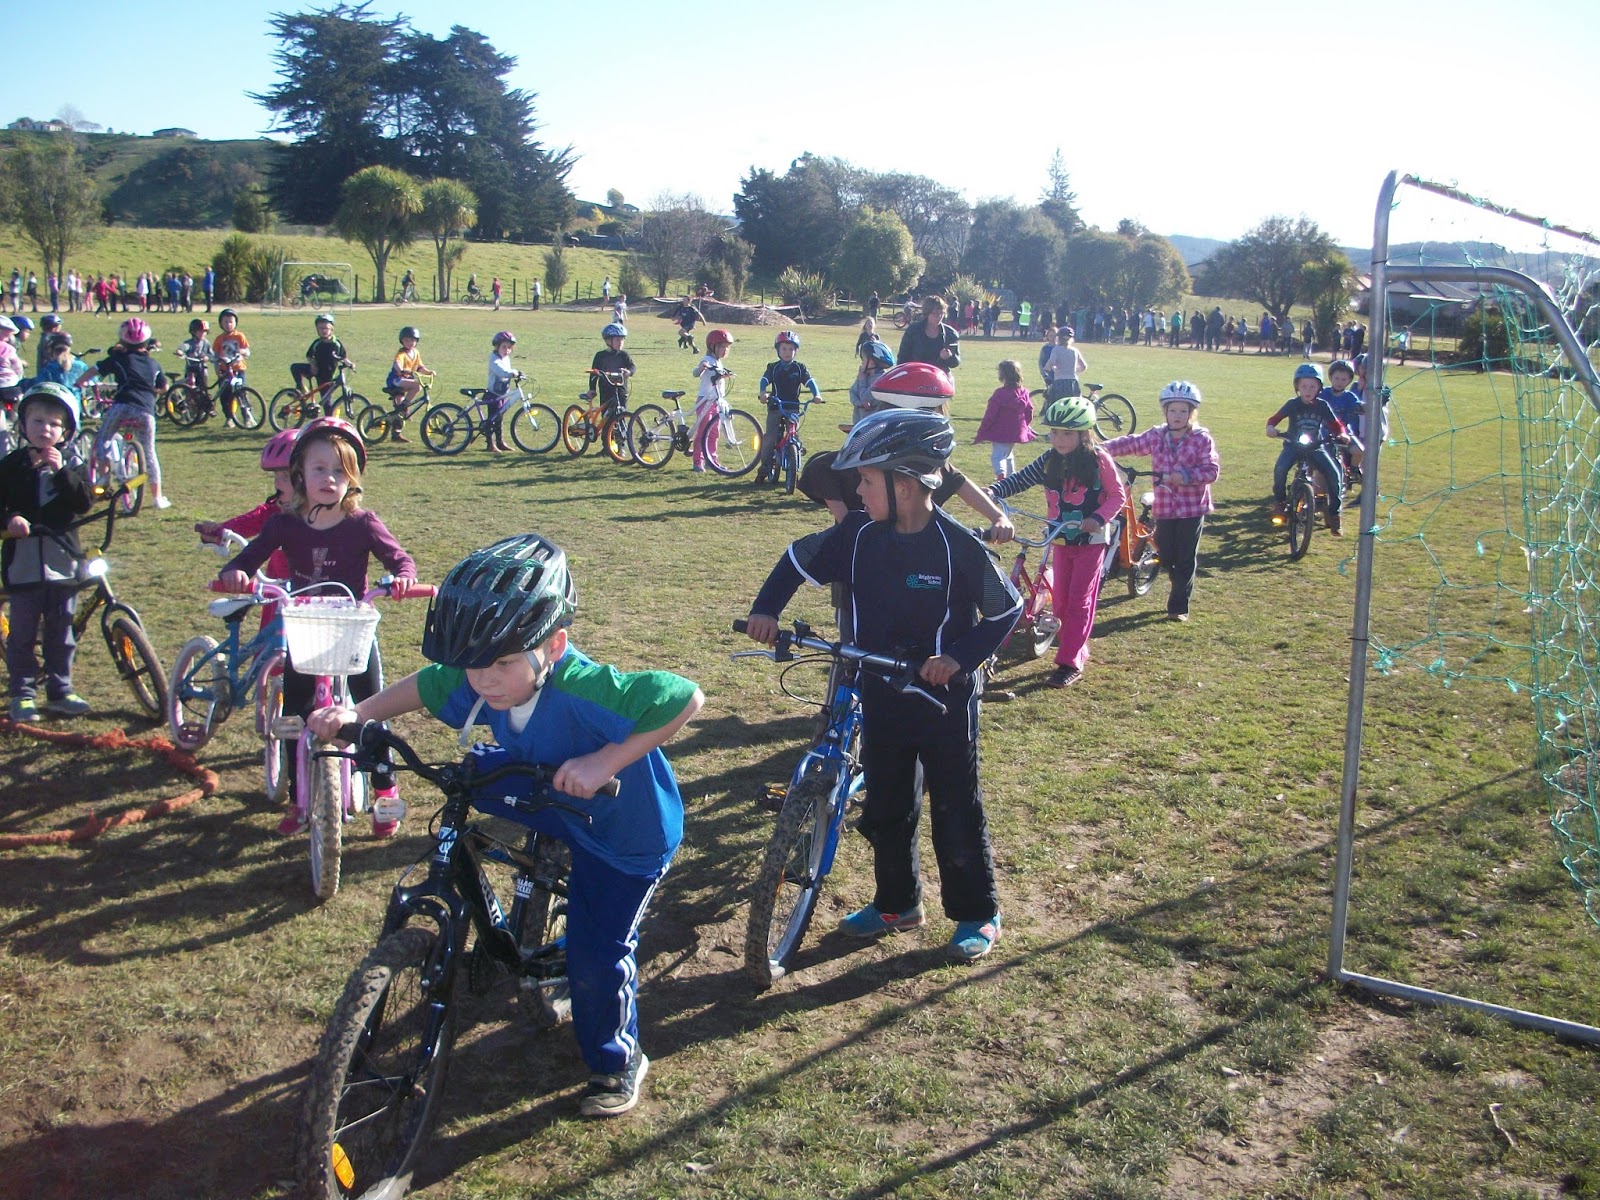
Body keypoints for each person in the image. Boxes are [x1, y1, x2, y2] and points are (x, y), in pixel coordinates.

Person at [309, 533, 703, 1116]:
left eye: (503, 663)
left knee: (595, 958)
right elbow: (428, 682)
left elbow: (684, 696)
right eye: (474, 665)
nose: (486, 680)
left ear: (554, 646)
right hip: (543, 781)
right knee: (469, 785)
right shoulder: (476, 678)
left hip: (623, 828)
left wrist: (604, 762)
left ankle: (617, 1062)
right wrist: (359, 712)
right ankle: (511, 910)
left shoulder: (587, 688)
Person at [744, 408, 1020, 960]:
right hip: (879, 694)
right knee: (887, 807)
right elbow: (798, 560)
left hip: (943, 705)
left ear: (909, 484)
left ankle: (976, 912)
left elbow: (1005, 609)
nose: (857, 490)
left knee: (954, 809)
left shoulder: (956, 545)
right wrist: (766, 609)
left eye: (867, 479)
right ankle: (898, 903)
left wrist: (957, 659)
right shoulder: (858, 535)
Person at [217, 417, 421, 837]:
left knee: (371, 711)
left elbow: (400, 559)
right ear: (299, 475)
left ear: (354, 478)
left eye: (341, 470)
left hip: (351, 631)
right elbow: (247, 558)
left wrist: (402, 577)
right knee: (294, 716)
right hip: (306, 630)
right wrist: (237, 572)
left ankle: (384, 790)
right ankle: (298, 799)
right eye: (319, 469)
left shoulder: (363, 523)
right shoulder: (283, 523)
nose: (330, 479)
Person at [988, 396, 1127, 688]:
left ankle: (1069, 662)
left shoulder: (1099, 460)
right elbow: (1021, 479)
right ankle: (1076, 645)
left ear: (1084, 433)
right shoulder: (1049, 459)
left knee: (1079, 601)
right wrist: (993, 490)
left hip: (1091, 541)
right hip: (1060, 539)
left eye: (1067, 433)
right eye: (1054, 433)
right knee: (1061, 602)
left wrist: (1099, 518)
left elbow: (1117, 495)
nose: (1059, 439)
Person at [2, 382, 97, 721]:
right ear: (24, 425)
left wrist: (61, 474)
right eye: (38, 421)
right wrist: (10, 517)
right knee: (23, 634)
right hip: (24, 565)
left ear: (66, 430)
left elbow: (84, 502)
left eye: (54, 424)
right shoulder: (12, 465)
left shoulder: (71, 464)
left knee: (61, 632)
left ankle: (61, 689)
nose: (46, 429)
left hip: (63, 562)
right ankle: (23, 693)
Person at [1102, 381, 1219, 622]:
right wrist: (1101, 449)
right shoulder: (1157, 436)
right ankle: (1176, 582)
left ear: (1191, 413)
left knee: (1185, 557)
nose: (1177, 416)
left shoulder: (1201, 439)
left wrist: (1185, 477)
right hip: (1164, 506)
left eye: (1183, 411)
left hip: (1191, 508)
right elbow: (1131, 443)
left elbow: (1211, 470)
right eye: (1173, 410)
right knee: (1165, 554)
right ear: (1165, 411)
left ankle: (1178, 607)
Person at [194, 428, 299, 626]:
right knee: (271, 644)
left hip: (319, 596)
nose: (277, 482)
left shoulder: (329, 518)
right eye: (276, 475)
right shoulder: (275, 513)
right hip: (277, 594)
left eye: (285, 476)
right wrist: (217, 531)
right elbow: (248, 521)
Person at [85, 318, 171, 509]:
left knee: (103, 438)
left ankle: (104, 477)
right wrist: (153, 391)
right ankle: (157, 497)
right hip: (146, 411)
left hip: (122, 406)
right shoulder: (154, 364)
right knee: (149, 452)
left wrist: (78, 383)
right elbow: (164, 386)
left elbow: (94, 370)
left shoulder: (118, 359)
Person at [1267, 363, 1350, 535]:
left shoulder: (1322, 406)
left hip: (1315, 447)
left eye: (1312, 386)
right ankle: (1280, 503)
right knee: (1280, 469)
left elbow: (1336, 424)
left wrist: (1342, 434)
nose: (1308, 390)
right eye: (1304, 386)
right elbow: (1274, 419)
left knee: (1334, 474)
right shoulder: (1292, 404)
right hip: (1293, 445)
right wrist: (1271, 428)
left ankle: (1334, 513)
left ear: (1319, 388)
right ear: (1297, 386)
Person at [756, 330, 820, 485]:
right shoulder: (773, 367)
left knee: (794, 435)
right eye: (784, 349)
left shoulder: (800, 368)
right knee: (770, 437)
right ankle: (764, 468)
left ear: (796, 351)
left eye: (791, 349)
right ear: (778, 350)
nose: (787, 352)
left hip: (793, 406)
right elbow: (764, 380)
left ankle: (795, 468)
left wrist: (816, 394)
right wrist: (763, 392)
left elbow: (810, 381)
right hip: (776, 406)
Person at [973, 360, 1035, 481]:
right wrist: (1025, 426)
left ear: (1003, 375)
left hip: (1001, 431)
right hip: (1017, 430)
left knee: (997, 456)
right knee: (1007, 454)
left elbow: (990, 415)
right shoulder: (1024, 392)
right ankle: (1011, 477)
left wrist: (982, 431)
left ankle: (1001, 474)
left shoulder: (1000, 394)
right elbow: (1029, 411)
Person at [690, 328, 735, 473]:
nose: (725, 350)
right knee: (703, 430)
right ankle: (698, 460)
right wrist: (701, 368)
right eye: (722, 346)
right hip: (705, 400)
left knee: (715, 431)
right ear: (713, 346)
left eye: (727, 347)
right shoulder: (708, 360)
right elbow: (696, 373)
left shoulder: (718, 362)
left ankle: (712, 459)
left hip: (716, 401)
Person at [384, 325, 434, 443]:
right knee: (416, 386)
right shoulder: (401, 353)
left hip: (406, 381)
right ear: (402, 341)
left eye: (412, 340)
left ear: (416, 341)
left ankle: (396, 433)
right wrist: (401, 369)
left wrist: (429, 372)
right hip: (396, 380)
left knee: (399, 410)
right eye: (407, 340)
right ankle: (405, 406)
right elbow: (397, 363)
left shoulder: (416, 353)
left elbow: (420, 367)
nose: (410, 343)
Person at [292, 313, 352, 405]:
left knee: (327, 403)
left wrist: (350, 364)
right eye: (321, 328)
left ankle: (328, 418)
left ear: (331, 329)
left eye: (326, 328)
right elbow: (309, 355)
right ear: (317, 329)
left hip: (327, 376)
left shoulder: (336, 344)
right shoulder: (317, 343)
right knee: (295, 367)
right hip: (316, 370)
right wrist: (312, 365)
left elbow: (343, 357)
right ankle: (301, 388)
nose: (323, 331)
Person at [1321, 359, 1366, 477]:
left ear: (1349, 381)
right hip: (1323, 432)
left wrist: (1365, 407)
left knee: (1359, 450)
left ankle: (1353, 469)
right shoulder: (1323, 393)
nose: (1339, 382)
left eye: (1343, 380)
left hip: (1344, 433)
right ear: (1330, 377)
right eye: (1336, 378)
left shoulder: (1349, 397)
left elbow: (1359, 407)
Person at [897, 296, 960, 371]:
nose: (939, 316)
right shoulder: (913, 331)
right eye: (935, 313)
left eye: (941, 313)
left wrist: (949, 357)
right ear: (927, 313)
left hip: (941, 377)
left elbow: (956, 361)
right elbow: (902, 358)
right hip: (916, 374)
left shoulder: (951, 333)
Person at [211, 308, 251, 427]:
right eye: (225, 322)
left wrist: (242, 351)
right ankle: (229, 417)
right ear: (221, 324)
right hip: (225, 370)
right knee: (225, 395)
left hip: (238, 369)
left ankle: (247, 416)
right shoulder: (219, 339)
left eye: (231, 322)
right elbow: (216, 356)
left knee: (241, 393)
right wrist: (217, 369)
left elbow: (248, 352)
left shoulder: (240, 336)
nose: (228, 324)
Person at [585, 323, 635, 419]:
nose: (620, 342)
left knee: (621, 415)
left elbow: (632, 366)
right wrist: (592, 389)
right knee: (606, 418)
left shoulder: (624, 355)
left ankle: (621, 433)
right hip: (606, 391)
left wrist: (629, 372)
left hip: (621, 390)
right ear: (608, 341)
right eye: (617, 339)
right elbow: (593, 374)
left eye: (622, 339)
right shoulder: (600, 356)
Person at [484, 331, 518, 454]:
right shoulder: (494, 358)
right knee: (491, 419)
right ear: (497, 346)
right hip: (493, 393)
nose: (507, 350)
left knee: (499, 418)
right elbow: (501, 371)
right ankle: (490, 443)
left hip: (502, 393)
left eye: (509, 348)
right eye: (504, 347)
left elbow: (507, 371)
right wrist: (512, 372)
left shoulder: (506, 358)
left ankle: (500, 441)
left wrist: (516, 374)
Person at [849, 339, 895, 427]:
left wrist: (862, 380)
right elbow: (852, 392)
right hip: (858, 423)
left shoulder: (881, 380)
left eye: (864, 359)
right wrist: (859, 404)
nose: (862, 362)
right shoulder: (864, 375)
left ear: (872, 361)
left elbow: (865, 398)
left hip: (872, 427)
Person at [1042, 326, 1088, 401]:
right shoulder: (1074, 351)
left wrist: (1047, 370)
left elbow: (1050, 363)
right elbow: (1083, 367)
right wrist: (1072, 370)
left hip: (1060, 382)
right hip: (1073, 381)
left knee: (1058, 404)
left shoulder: (1056, 349)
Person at [177, 318, 213, 395]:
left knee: (204, 385)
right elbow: (183, 347)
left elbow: (211, 354)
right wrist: (180, 351)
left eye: (204, 332)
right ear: (193, 332)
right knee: (190, 385)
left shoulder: (206, 343)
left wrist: (207, 357)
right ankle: (188, 397)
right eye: (200, 331)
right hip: (191, 369)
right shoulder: (189, 343)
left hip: (202, 369)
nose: (203, 334)